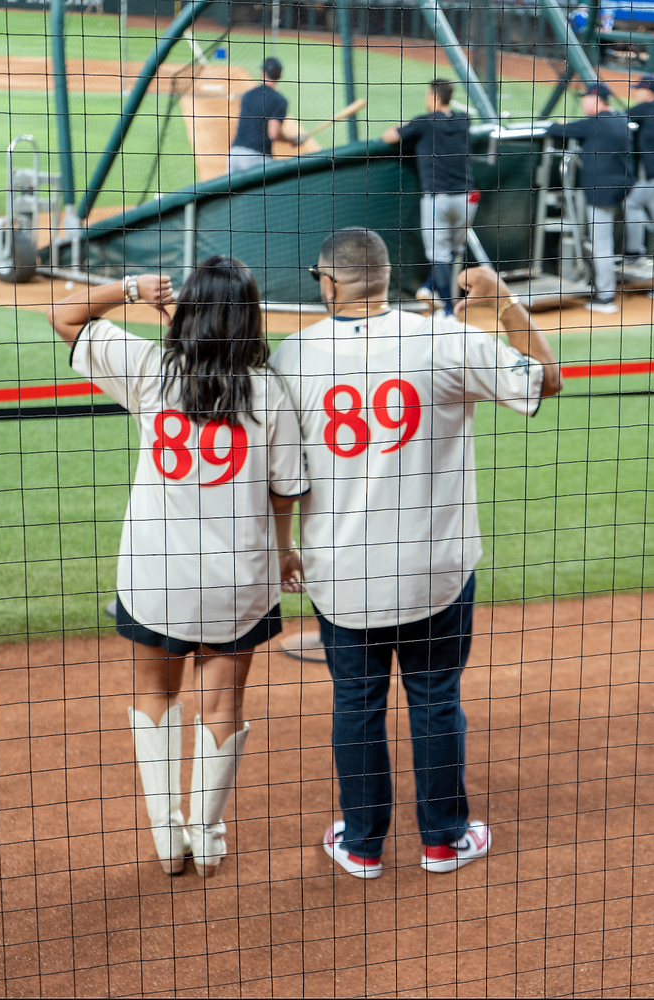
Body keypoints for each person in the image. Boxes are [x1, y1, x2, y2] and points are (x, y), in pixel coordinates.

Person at [271, 228, 562, 879]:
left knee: (356, 702)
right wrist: (500, 299)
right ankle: (443, 840)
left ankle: (363, 846)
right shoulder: (445, 337)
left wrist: (279, 548)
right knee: (433, 697)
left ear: (327, 282)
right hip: (435, 569)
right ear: (386, 275)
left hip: (340, 573)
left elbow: (278, 471)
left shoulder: (291, 356)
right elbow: (546, 380)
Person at [47, 258, 306, 877]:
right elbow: (283, 492)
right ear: (248, 318)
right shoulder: (267, 389)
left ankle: (168, 841)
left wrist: (134, 290)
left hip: (154, 577)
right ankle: (207, 833)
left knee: (154, 694)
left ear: (188, 313)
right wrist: (285, 550)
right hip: (239, 581)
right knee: (222, 704)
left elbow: (63, 314)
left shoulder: (152, 371)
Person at [381, 78, 479, 315]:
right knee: (455, 250)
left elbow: (388, 137)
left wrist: (408, 124)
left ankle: (447, 309)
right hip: (468, 198)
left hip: (439, 199)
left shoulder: (423, 123)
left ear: (434, 97)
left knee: (440, 255)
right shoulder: (464, 119)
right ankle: (428, 287)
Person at [546, 81, 634, 314]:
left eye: (586, 98)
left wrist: (559, 123)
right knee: (606, 240)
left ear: (595, 100)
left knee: (601, 244)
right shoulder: (620, 120)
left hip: (601, 190)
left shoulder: (594, 123)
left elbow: (554, 130)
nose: (583, 101)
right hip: (623, 187)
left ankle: (606, 298)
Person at [229, 57, 305, 174]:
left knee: (231, 192)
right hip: (257, 158)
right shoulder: (279, 100)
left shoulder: (248, 95)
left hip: (235, 154)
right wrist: (291, 140)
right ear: (279, 76)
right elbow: (273, 133)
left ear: (263, 73)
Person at [625, 74, 654, 262]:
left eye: (639, 89)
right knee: (634, 202)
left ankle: (635, 251)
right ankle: (635, 251)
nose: (637, 93)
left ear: (647, 91)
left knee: (632, 203)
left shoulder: (646, 108)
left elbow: (616, 118)